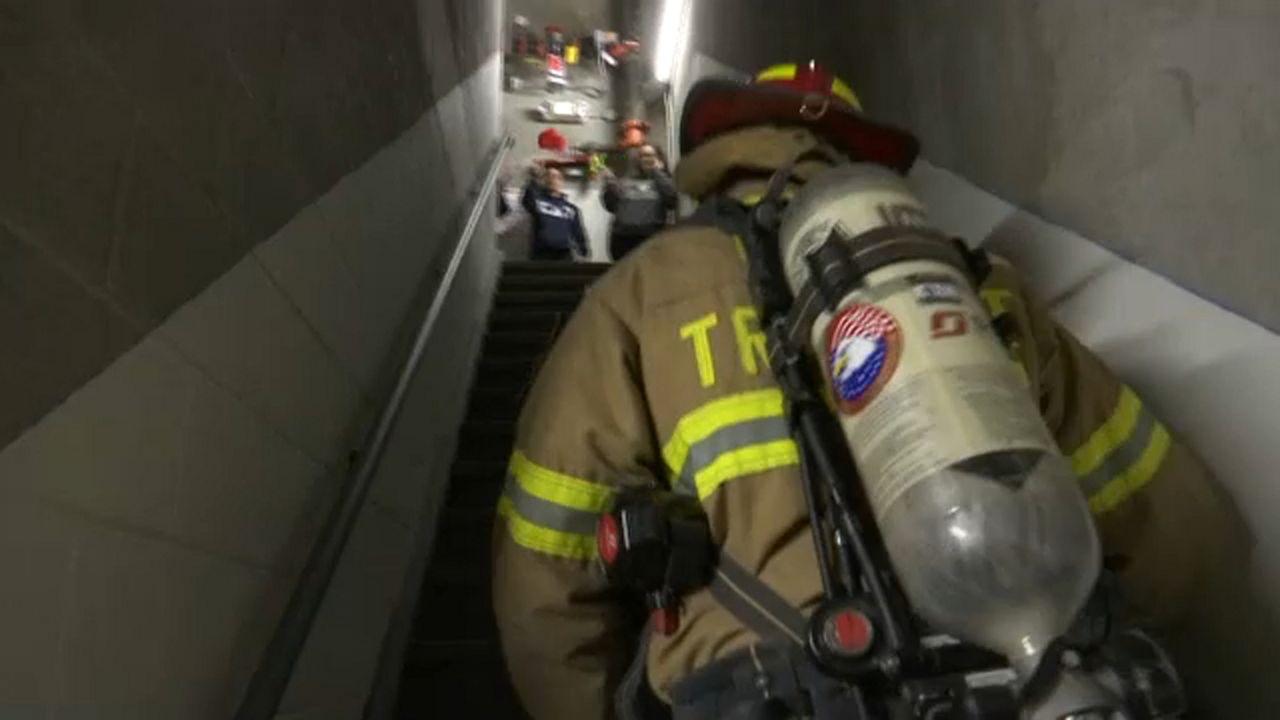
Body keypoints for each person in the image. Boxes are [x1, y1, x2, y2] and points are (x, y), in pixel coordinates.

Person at [493, 62, 1272, 719]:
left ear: (721, 149)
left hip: (765, 688)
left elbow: (546, 568)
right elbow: (1178, 530)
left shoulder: (638, 295)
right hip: (1022, 674)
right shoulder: (971, 281)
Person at [600, 144, 678, 261]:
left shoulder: (665, 181)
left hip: (651, 238)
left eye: (649, 155)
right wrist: (610, 186)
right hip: (622, 238)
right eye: (642, 156)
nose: (646, 159)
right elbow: (611, 206)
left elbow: (672, 200)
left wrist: (656, 172)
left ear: (659, 159)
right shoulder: (625, 181)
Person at [521, 165, 589, 261]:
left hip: (564, 254)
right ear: (544, 180)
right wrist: (534, 178)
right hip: (541, 253)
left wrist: (583, 253)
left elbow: (578, 233)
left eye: (556, 176)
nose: (552, 179)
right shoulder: (537, 201)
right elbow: (527, 200)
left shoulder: (571, 209)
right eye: (549, 176)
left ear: (561, 181)